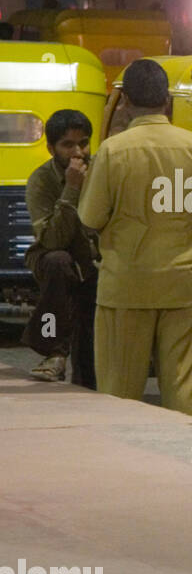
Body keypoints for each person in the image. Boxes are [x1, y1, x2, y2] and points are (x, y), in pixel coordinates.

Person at [78, 59, 192, 415]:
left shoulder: (114, 151)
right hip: (184, 287)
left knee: (120, 393)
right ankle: (180, 465)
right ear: (167, 100)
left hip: (126, 288)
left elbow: (90, 218)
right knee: (183, 392)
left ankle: (125, 467)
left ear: (126, 101)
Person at [22, 110, 97, 385]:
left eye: (84, 143)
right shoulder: (41, 180)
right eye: (68, 145)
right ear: (51, 148)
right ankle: (53, 350)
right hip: (51, 255)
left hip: (91, 260)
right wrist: (72, 190)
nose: (78, 152)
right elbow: (53, 238)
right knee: (59, 263)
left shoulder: (101, 170)